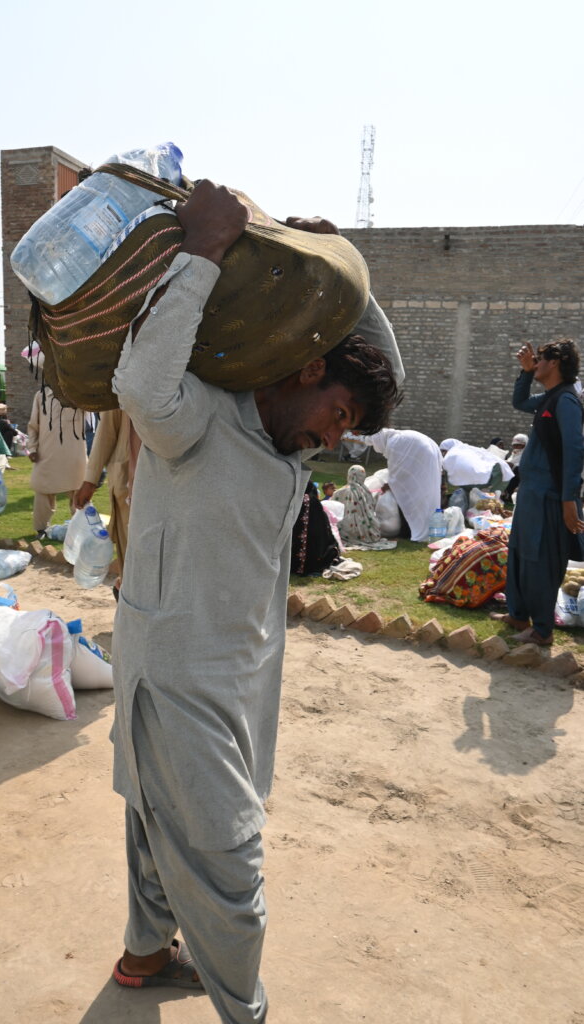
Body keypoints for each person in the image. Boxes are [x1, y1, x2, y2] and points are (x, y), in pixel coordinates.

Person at [108, 180, 401, 1022]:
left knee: (154, 819)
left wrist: (335, 263)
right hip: (177, 677)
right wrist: (202, 251)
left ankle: (140, 959)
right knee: (228, 857)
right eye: (336, 414)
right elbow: (140, 384)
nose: (333, 437)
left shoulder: (286, 447)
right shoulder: (196, 419)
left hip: (237, 674)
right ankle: (246, 1009)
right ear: (307, 371)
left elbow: (386, 371)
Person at [491, 339, 584, 645]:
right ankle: (518, 614)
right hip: (531, 493)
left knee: (541, 559)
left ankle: (542, 629)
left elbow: (574, 449)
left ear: (555, 362)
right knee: (519, 553)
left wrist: (569, 498)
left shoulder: (566, 402)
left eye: (540, 358)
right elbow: (519, 401)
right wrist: (526, 373)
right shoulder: (549, 397)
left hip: (549, 495)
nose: (536, 361)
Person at [73, 410, 142, 592]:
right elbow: (107, 432)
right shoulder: (122, 384)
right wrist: (90, 479)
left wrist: (90, 480)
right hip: (130, 481)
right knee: (133, 557)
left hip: (156, 483)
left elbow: (105, 432)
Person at [360, 427, 443, 541]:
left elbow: (397, 473)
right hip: (427, 461)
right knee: (424, 498)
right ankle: (424, 528)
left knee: (407, 499)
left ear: (379, 440)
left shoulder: (395, 443)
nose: (376, 448)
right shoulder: (399, 439)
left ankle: (408, 532)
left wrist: (389, 485)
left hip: (424, 460)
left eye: (375, 445)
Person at [27, 385, 87, 536]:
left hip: (74, 451)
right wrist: (33, 449)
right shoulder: (41, 395)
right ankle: (41, 528)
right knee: (43, 488)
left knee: (79, 489)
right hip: (47, 451)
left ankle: (82, 527)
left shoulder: (79, 392)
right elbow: (33, 425)